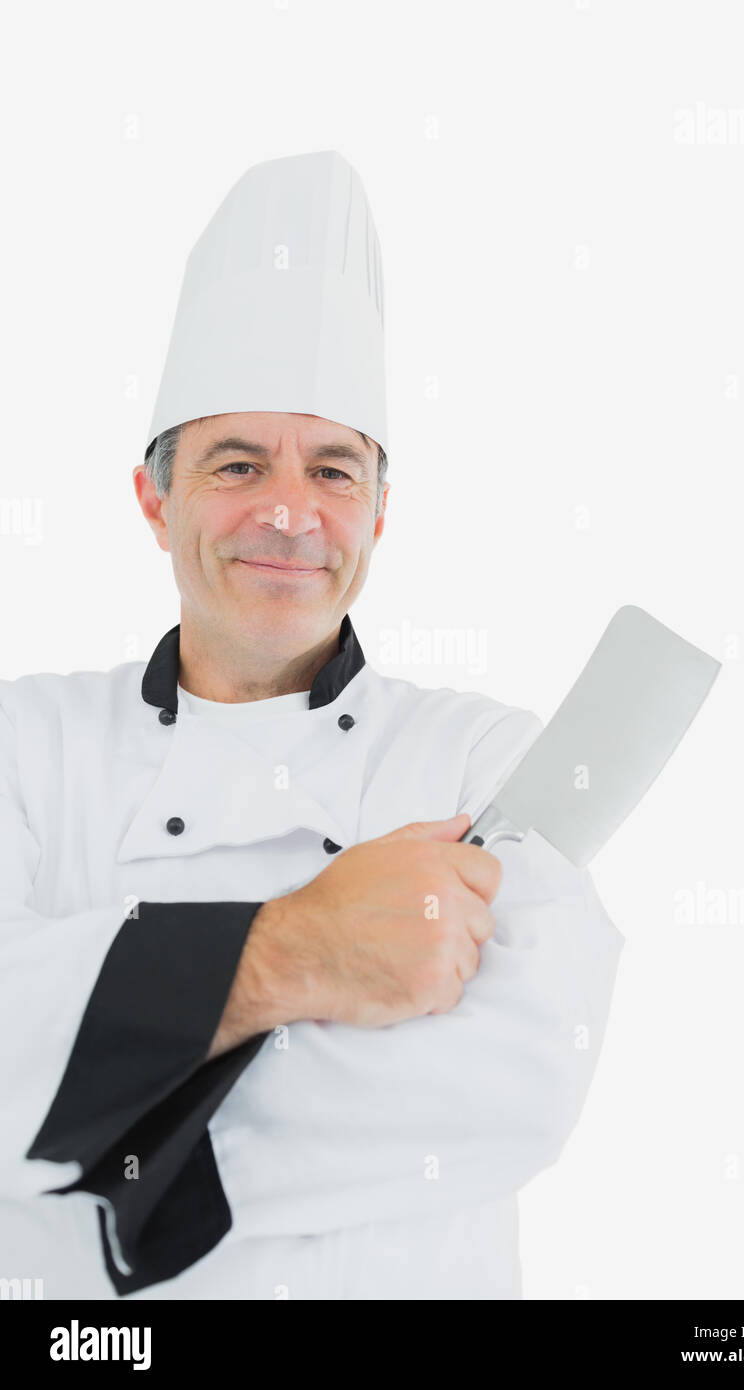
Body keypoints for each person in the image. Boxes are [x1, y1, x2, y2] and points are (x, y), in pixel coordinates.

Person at [0, 151, 624, 1301]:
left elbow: (525, 1079)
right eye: (239, 463)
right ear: (155, 498)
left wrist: (95, 1157)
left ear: (379, 516)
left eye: (334, 471)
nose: (290, 512)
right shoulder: (26, 746)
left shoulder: (486, 760)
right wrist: (304, 945)